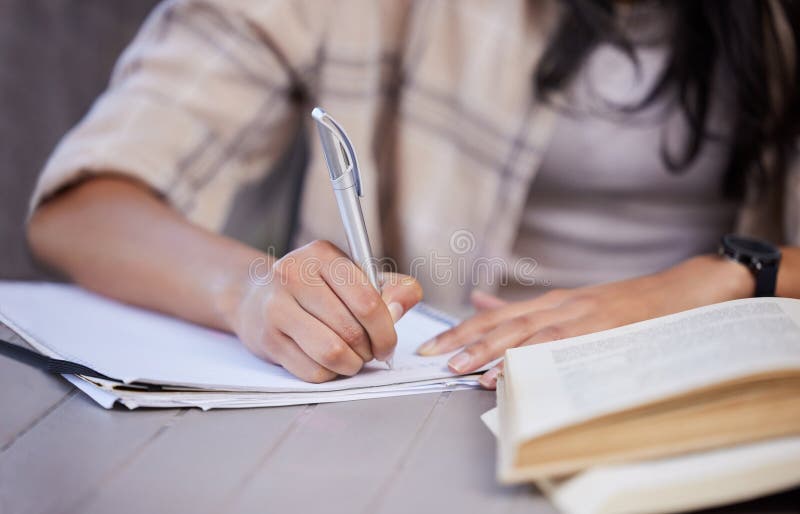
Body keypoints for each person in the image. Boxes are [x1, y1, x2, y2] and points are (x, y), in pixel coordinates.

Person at [26, 0, 800, 388]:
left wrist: (728, 278)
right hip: (428, 399)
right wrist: (251, 291)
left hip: (710, 390)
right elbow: (84, 206)